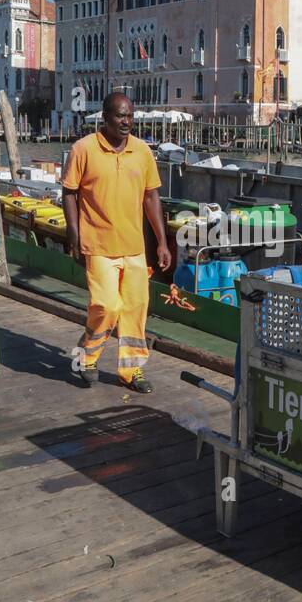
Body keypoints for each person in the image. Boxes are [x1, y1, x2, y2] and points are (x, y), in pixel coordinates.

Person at [62, 92, 171, 392]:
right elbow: (69, 193)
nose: (126, 122)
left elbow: (152, 196)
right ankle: (87, 354)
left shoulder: (142, 151)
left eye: (130, 116)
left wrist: (161, 241)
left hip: (134, 245)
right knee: (106, 306)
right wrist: (73, 234)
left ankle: (131, 370)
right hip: (97, 243)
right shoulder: (83, 149)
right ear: (105, 117)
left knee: (136, 307)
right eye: (120, 116)